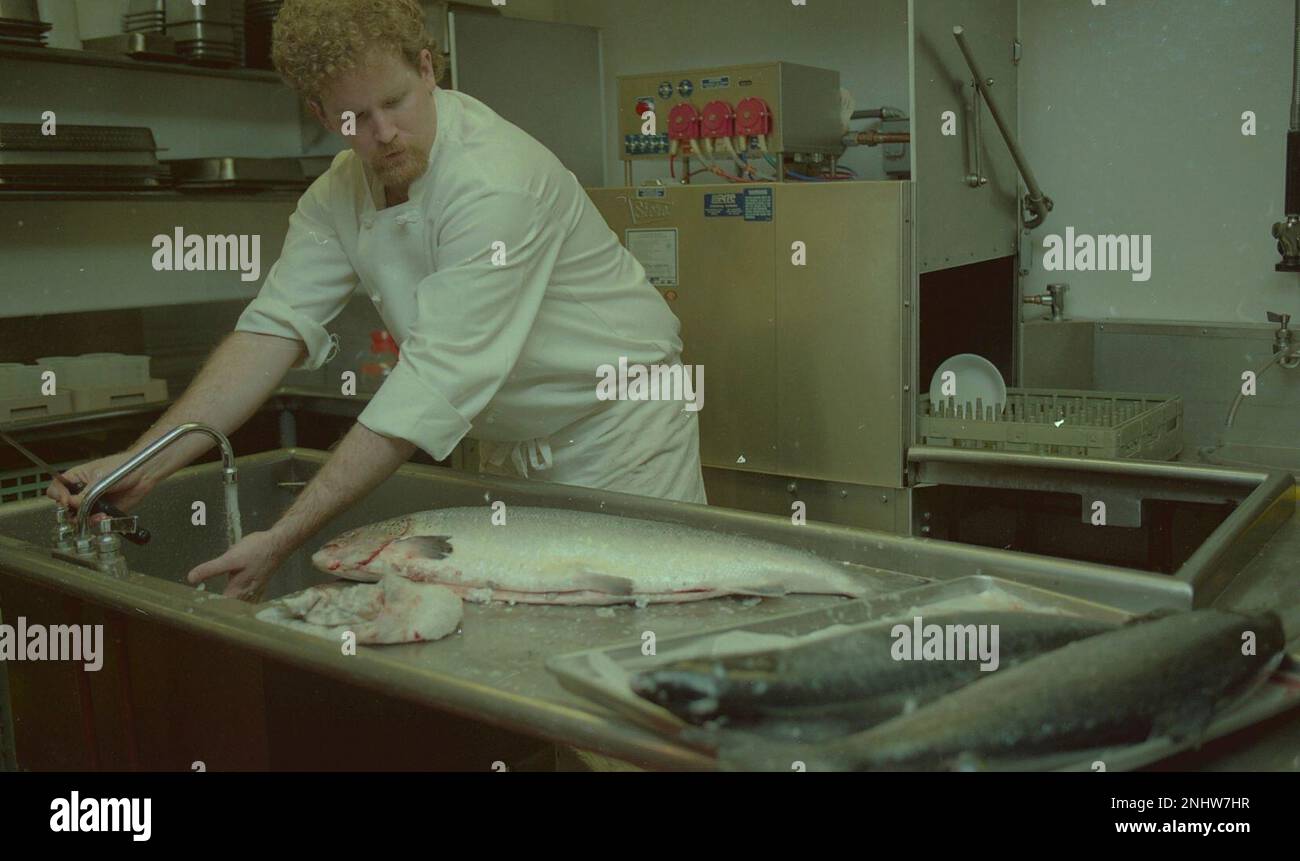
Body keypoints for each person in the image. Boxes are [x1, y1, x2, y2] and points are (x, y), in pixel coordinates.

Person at [47, 0, 706, 602]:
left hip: (621, 434)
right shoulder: (338, 195)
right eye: (353, 118)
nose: (382, 133)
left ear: (427, 69)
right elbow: (271, 332)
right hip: (512, 445)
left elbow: (430, 386)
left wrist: (281, 537)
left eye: (395, 101)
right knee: (533, 646)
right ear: (319, 113)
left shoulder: (494, 182)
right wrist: (137, 467)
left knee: (639, 637)